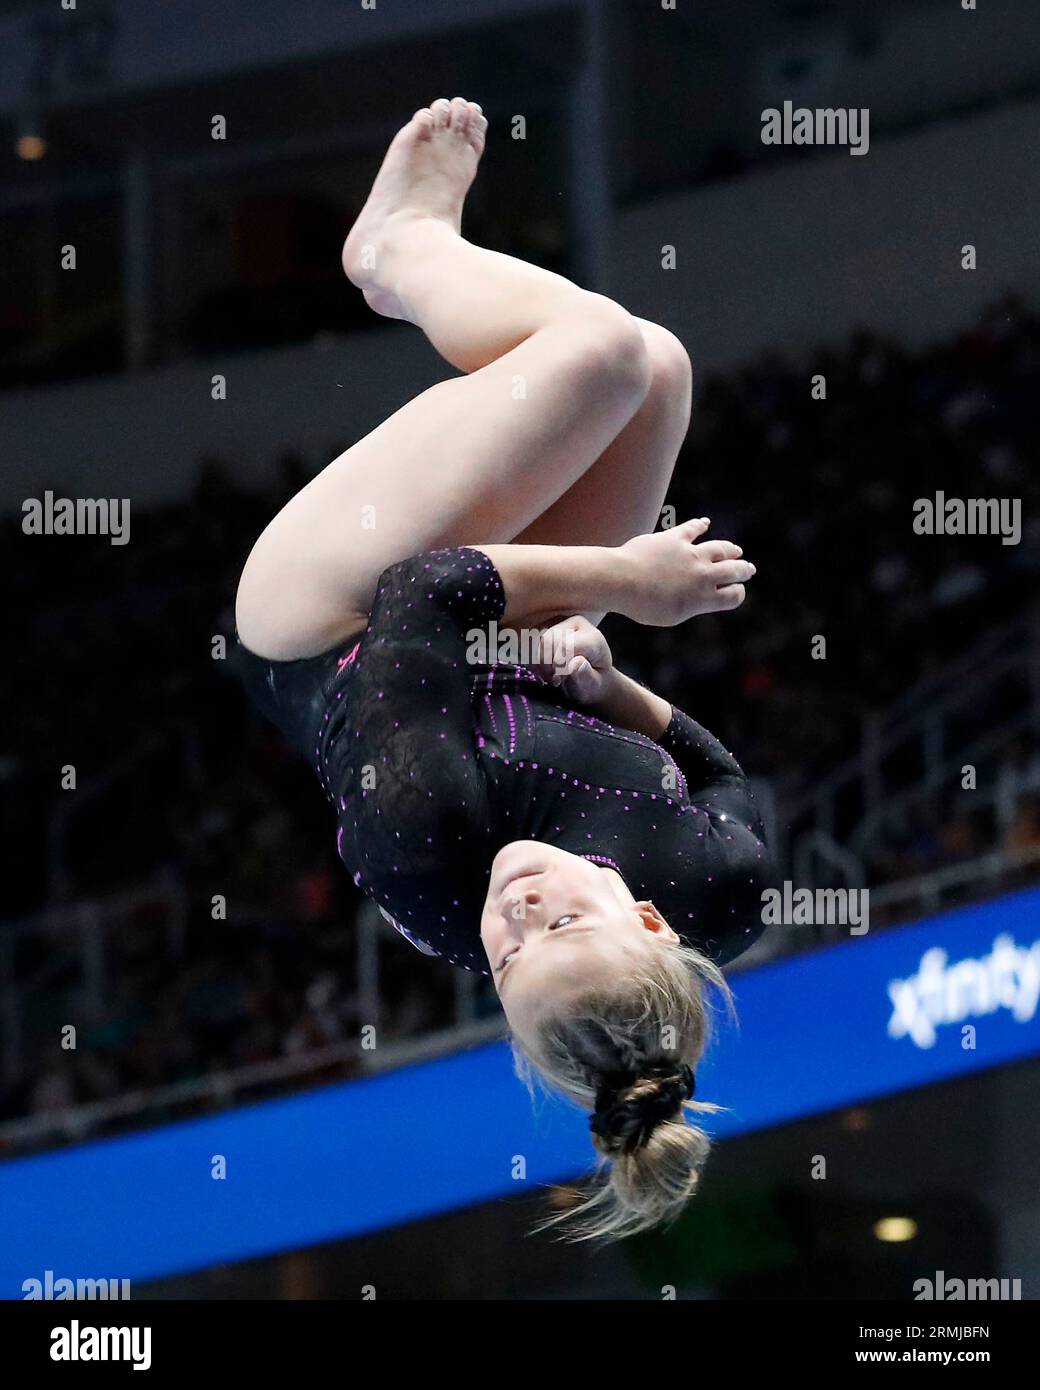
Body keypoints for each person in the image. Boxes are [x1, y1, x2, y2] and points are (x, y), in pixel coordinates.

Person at [234, 98, 772, 1238]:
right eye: (559, 927)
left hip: (328, 614)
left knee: (597, 353)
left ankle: (396, 252)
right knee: (659, 370)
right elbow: (725, 786)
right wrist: (612, 687)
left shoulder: (428, 852)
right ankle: (407, 261)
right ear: (652, 920)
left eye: (506, 958)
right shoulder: (721, 889)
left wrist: (627, 585)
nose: (515, 915)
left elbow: (415, 596)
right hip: (503, 643)